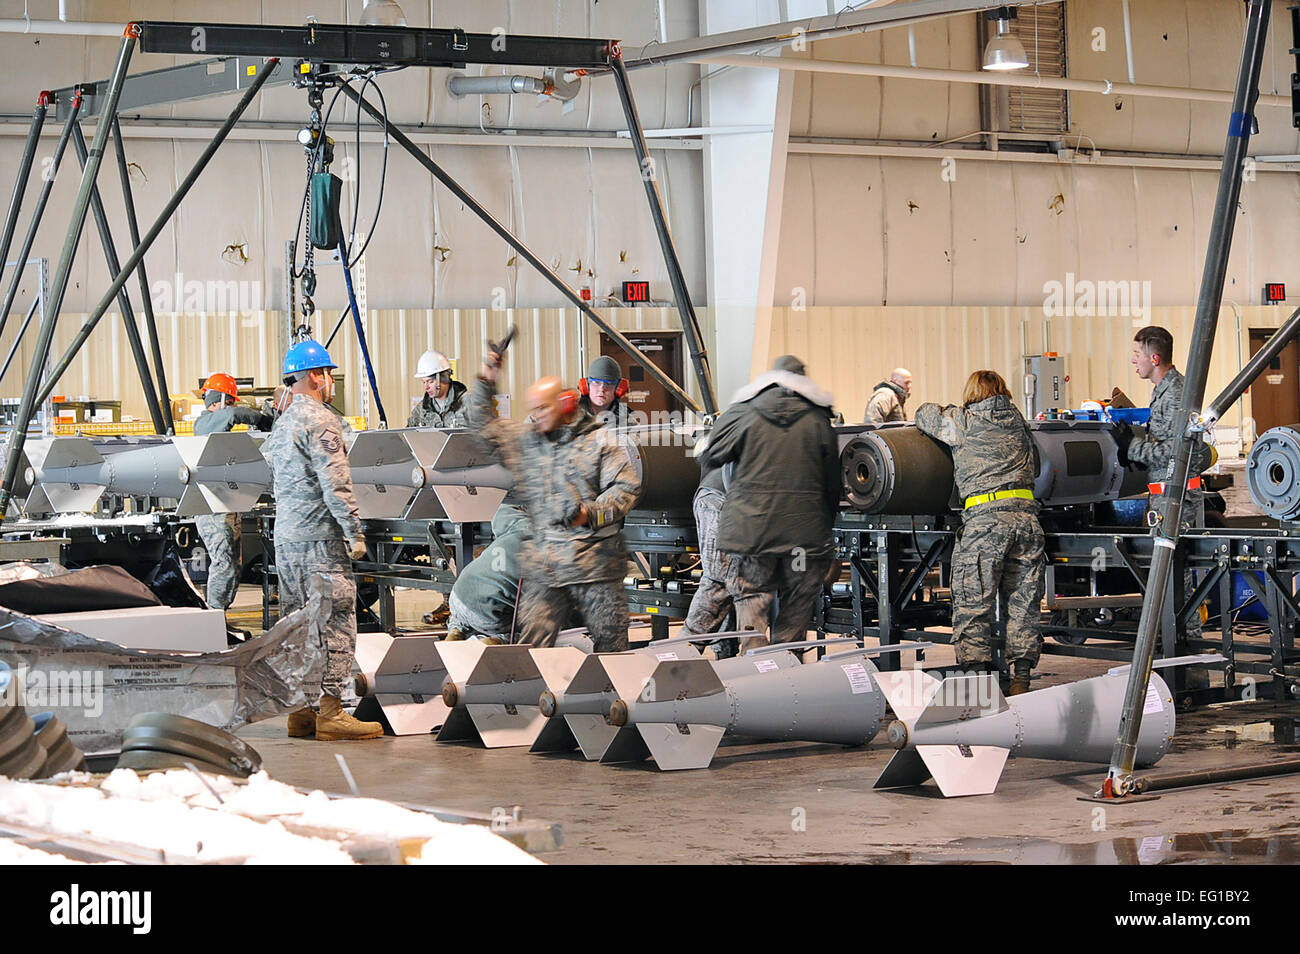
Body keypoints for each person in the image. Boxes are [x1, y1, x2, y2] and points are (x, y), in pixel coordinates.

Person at [469, 350, 641, 652]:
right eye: (533, 410)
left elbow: (625, 489)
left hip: (595, 564)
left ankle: (610, 697)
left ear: (564, 403)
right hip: (546, 564)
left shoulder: (599, 441)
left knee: (612, 648)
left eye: (543, 409)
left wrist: (590, 513)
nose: (536, 416)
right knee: (533, 648)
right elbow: (483, 426)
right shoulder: (529, 442)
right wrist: (487, 379)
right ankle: (533, 697)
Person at [264, 339, 382, 741]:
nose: (331, 381)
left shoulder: (281, 425)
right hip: (320, 541)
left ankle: (301, 712)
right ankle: (332, 712)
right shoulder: (322, 420)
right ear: (316, 376)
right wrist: (355, 531)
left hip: (287, 540)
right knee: (335, 622)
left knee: (299, 623)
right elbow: (336, 483)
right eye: (328, 373)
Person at [915, 370, 1044, 695]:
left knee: (974, 602)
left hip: (986, 523)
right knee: (1023, 602)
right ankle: (1021, 679)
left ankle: (977, 680)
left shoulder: (963, 421)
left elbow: (923, 414)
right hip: (1027, 521)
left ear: (972, 393)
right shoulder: (1019, 422)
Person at [700, 355, 840, 652]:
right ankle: (786, 673)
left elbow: (710, 455)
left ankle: (754, 669)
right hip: (803, 543)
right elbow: (832, 486)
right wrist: (825, 532)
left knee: (752, 602)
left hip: (753, 539)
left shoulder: (745, 412)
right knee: (795, 609)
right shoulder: (819, 419)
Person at [1126, 325, 1214, 647]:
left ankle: (1187, 663)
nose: (1133, 362)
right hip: (1164, 499)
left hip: (1178, 501)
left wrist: (1132, 448)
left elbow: (1176, 449)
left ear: (1155, 356)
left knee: (1179, 583)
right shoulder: (1163, 390)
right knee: (1166, 583)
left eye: (1137, 355)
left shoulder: (1176, 392)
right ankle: (1172, 655)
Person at [192, 372, 273, 613]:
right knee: (224, 563)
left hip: (226, 507)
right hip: (211, 509)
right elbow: (232, 415)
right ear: (218, 400)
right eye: (229, 401)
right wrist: (260, 418)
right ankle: (213, 616)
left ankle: (218, 613)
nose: (231, 406)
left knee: (232, 565)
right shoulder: (204, 423)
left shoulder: (222, 432)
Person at [445, 505, 530, 641]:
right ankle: (497, 641)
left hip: (459, 595)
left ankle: (456, 630)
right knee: (546, 631)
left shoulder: (524, 524)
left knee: (460, 614)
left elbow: (501, 511)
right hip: (492, 616)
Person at [677, 462, 737, 655]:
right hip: (721, 499)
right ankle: (682, 654)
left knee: (733, 579)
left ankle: (725, 653)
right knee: (720, 582)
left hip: (717, 495)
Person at [407, 349, 468, 428]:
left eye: (430, 381)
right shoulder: (421, 410)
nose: (426, 387)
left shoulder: (467, 404)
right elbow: (408, 435)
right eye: (424, 382)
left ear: (444, 378)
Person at [577, 354, 631, 428]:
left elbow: (637, 437)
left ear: (618, 389)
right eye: (596, 382)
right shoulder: (572, 415)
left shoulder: (625, 418)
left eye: (608, 384)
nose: (602, 389)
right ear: (586, 386)